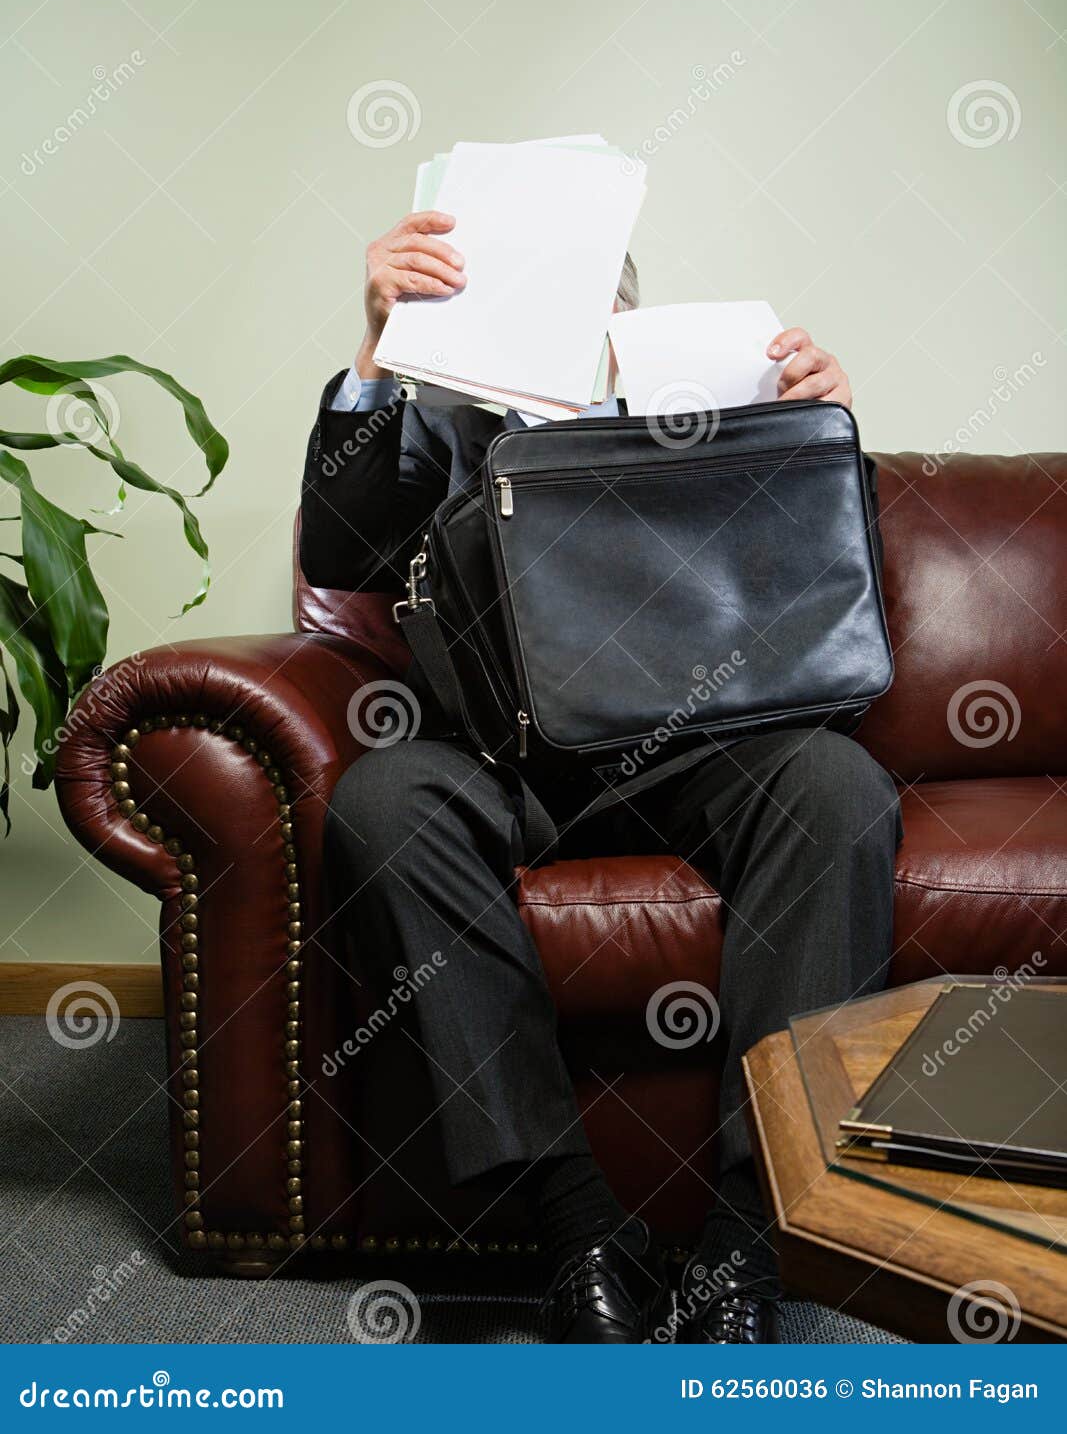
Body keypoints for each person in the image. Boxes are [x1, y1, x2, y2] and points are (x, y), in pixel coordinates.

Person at [301, 210, 901, 1343]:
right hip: (505, 761)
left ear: (622, 311)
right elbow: (339, 550)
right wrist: (380, 352)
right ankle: (579, 1227)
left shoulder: (712, 400)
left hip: (702, 751)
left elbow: (822, 584)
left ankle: (748, 1241)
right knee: (382, 801)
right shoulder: (441, 425)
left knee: (839, 787)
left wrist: (818, 431)